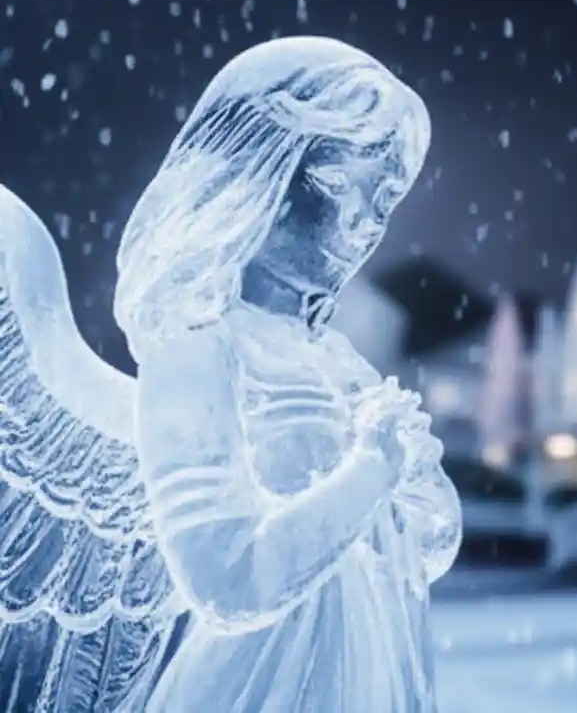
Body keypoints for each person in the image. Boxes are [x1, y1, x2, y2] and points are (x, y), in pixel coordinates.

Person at [113, 37, 460, 712]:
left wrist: (419, 493)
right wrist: (371, 472)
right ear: (254, 171)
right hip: (259, 688)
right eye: (335, 184)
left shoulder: (334, 359)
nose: (364, 224)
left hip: (372, 680)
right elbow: (226, 578)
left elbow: (423, 547)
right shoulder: (196, 346)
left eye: (384, 202)